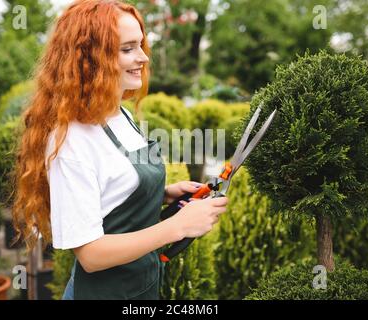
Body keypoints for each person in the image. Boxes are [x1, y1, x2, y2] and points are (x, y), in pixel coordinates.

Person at [12, 0, 228, 300]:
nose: (142, 57)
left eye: (140, 45)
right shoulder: (71, 141)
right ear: (89, 58)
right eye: (127, 49)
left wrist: (163, 192)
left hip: (142, 286)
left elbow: (112, 190)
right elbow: (90, 254)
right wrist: (178, 226)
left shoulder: (118, 114)